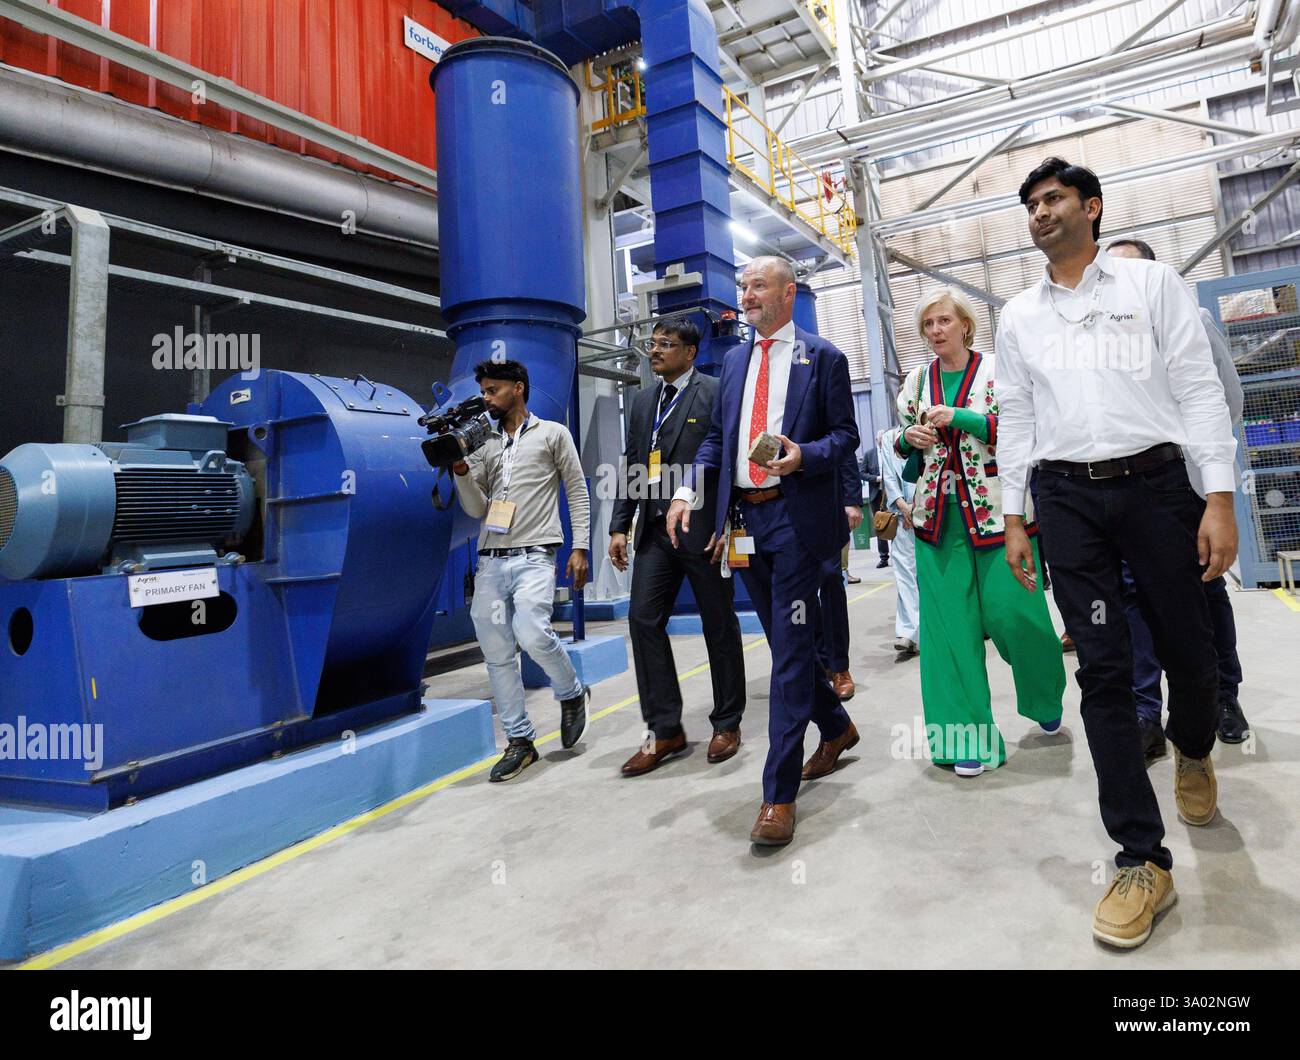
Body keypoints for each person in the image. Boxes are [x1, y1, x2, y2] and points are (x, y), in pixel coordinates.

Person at [996, 158, 1239, 949]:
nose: (1040, 212)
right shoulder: (1019, 316)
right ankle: (1141, 858)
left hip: (1158, 486)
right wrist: (1015, 516)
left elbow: (1199, 388)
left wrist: (1220, 497)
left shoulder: (1152, 287)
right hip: (1066, 502)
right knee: (1101, 672)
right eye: (1031, 203)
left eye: (1054, 198)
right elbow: (1016, 415)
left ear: (1092, 208)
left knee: (1189, 653)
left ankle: (1195, 748)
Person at [666, 255, 860, 848]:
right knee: (784, 642)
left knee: (790, 659)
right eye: (743, 285)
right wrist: (686, 489)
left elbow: (846, 437)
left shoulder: (821, 356)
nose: (746, 294)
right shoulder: (733, 359)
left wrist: (804, 455)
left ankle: (777, 795)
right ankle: (837, 727)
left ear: (788, 292)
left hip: (797, 519)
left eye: (758, 285)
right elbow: (721, 439)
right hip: (746, 521)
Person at [895, 287, 1066, 778]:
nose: (936, 331)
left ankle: (1043, 693)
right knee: (949, 636)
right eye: (928, 324)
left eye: (944, 321)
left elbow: (1021, 428)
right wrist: (910, 438)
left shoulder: (997, 370)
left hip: (1002, 516)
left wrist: (963, 417)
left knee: (1018, 617)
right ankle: (965, 739)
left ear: (965, 324)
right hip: (937, 522)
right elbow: (903, 442)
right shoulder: (914, 380)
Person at [1106, 238, 1250, 757]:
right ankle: (1146, 711)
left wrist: (1197, 467)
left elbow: (1227, 400)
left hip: (1187, 487)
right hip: (1128, 494)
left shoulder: (1192, 322)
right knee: (1133, 599)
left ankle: (1223, 698)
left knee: (1206, 593)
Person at [609, 317, 746, 776]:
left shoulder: (713, 390)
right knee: (642, 620)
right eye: (653, 343)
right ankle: (664, 727)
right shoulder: (644, 399)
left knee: (718, 625)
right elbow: (633, 463)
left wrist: (728, 523)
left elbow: (728, 458)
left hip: (703, 529)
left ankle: (727, 721)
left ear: (690, 352)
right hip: (652, 531)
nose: (655, 351)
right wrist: (619, 525)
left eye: (667, 344)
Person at [451, 359, 592, 783]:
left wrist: (581, 546)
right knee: (496, 654)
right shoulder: (482, 445)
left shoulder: (552, 434)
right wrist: (461, 471)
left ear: (519, 387)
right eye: (484, 391)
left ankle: (570, 692)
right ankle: (519, 740)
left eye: (493, 390)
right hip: (491, 560)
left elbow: (577, 490)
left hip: (535, 556)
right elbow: (476, 508)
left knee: (532, 632)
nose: (487, 399)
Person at [817, 450, 864, 699]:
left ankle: (838, 667)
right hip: (780, 507)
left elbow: (844, 448)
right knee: (795, 593)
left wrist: (852, 499)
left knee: (830, 578)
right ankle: (816, 662)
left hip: (824, 507)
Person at [879, 425, 919, 656]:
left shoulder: (933, 429)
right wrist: (903, 507)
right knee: (904, 574)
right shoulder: (888, 438)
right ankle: (908, 632)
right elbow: (889, 478)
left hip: (933, 511)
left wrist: (919, 506)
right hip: (903, 516)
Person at [860, 445, 890, 567]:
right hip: (876, 495)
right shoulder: (869, 454)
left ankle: (900, 555)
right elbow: (861, 473)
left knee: (896, 523)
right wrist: (876, 478)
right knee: (880, 526)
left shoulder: (891, 450)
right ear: (877, 440)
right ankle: (884, 557)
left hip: (892, 494)